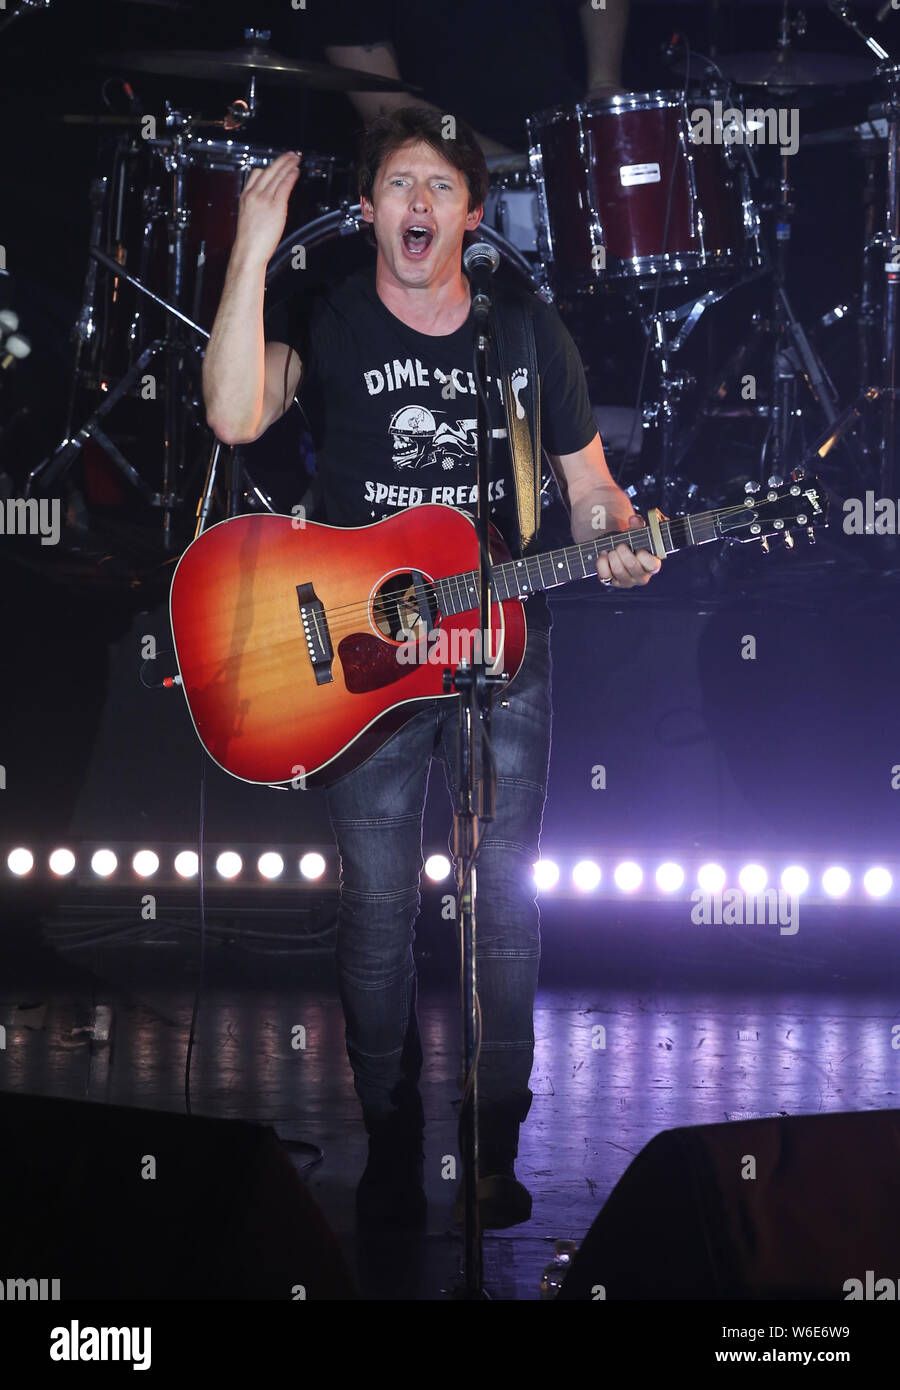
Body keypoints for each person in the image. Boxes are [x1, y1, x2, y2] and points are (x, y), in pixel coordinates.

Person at [202, 106, 660, 1231]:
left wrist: (621, 530)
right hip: (357, 659)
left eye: (440, 187)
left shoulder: (523, 331)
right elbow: (232, 409)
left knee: (502, 894)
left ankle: (493, 1135)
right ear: (369, 212)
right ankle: (395, 1130)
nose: (419, 205)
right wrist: (253, 251)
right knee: (377, 904)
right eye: (400, 185)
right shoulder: (335, 312)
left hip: (498, 633)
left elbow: (590, 486)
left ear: (470, 211)